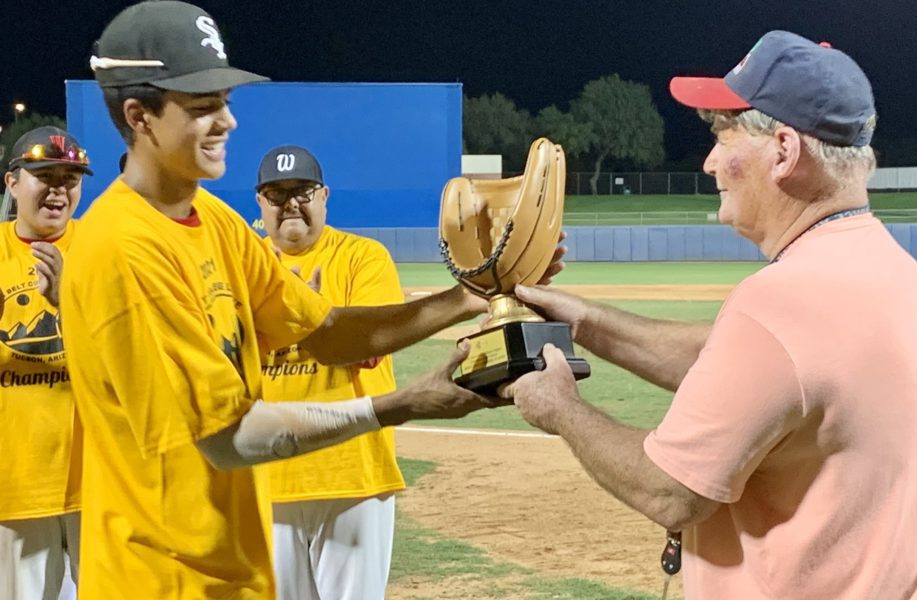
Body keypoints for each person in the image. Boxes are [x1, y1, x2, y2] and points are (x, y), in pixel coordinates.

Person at [61, 2, 560, 598]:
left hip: (227, 565)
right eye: (201, 108)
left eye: (225, 101)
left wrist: (467, 294)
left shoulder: (213, 221)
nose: (227, 122)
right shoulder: (121, 249)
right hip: (159, 575)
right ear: (139, 116)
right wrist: (401, 405)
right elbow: (229, 437)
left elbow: (324, 331)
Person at [501, 30, 917, 599]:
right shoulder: (888, 267)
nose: (710, 160)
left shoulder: (780, 302)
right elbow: (751, 370)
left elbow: (671, 492)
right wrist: (586, 323)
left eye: (725, 134)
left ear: (785, 151)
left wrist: (560, 408)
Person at [254, 145, 406, 600]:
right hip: (263, 480)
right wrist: (316, 318)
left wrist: (301, 312)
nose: (291, 204)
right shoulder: (241, 265)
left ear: (324, 196)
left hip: (352, 477)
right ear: (260, 203)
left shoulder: (363, 257)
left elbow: (367, 343)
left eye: (302, 191)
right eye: (277, 194)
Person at [0, 126, 92, 599]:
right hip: (16, 487)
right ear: (12, 183)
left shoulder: (104, 249)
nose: (59, 188)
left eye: (70, 178)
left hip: (100, 486)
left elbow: (133, 359)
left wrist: (68, 305)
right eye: (44, 175)